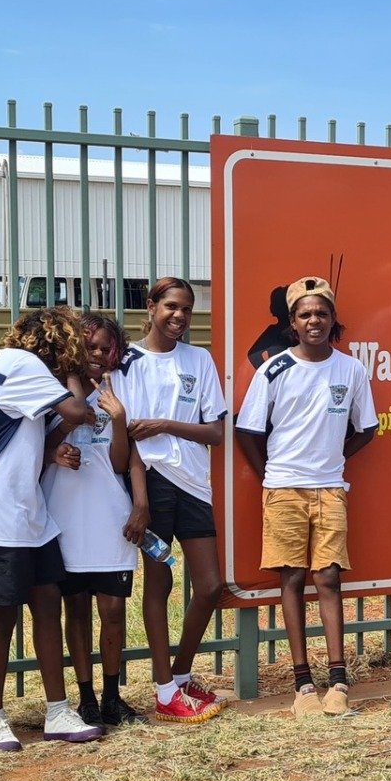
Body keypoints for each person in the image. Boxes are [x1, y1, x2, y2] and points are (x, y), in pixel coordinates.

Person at [0, 307, 112, 752]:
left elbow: (33, 443)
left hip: (28, 513)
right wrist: (78, 373)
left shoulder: (18, 371)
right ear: (61, 345)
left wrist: (55, 450)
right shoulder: (21, 365)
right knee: (0, 616)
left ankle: (58, 710)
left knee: (47, 602)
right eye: (77, 345)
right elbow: (78, 410)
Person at [236, 276, 378, 719]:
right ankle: (303, 684)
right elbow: (247, 430)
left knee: (330, 578)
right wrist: (269, 477)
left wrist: (336, 456)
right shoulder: (274, 370)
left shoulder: (351, 369)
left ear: (333, 320)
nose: (314, 320)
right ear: (292, 324)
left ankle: (338, 679)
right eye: (305, 314)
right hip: (283, 489)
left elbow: (367, 427)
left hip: (331, 487)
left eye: (322, 313)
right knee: (292, 578)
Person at [112, 277, 228, 724]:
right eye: (171, 307)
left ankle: (179, 676)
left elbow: (215, 431)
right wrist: (140, 501)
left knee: (211, 585)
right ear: (152, 306)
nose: (179, 316)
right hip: (152, 483)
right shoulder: (127, 362)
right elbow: (127, 437)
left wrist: (165, 423)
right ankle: (164, 692)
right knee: (159, 584)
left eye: (187, 309)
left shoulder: (199, 360)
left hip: (194, 483)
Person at [42, 311, 150, 729]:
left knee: (113, 611)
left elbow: (124, 461)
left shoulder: (120, 390)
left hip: (110, 516)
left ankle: (111, 695)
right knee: (75, 610)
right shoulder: (51, 390)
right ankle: (85, 698)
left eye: (107, 348)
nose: (100, 354)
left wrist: (117, 419)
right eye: (91, 347)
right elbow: (36, 445)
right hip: (64, 516)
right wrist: (57, 448)